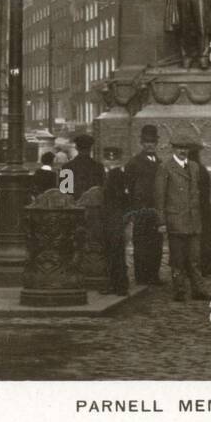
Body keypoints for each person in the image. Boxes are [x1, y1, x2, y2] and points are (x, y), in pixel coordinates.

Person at [154, 138, 209, 302]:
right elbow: (159, 196)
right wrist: (162, 222)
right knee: (177, 259)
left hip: (193, 220)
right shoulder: (165, 167)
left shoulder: (194, 166)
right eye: (179, 148)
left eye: (185, 148)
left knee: (194, 258)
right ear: (173, 149)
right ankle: (179, 290)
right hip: (175, 220)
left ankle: (198, 290)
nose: (182, 151)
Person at [124, 125, 164, 285]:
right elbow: (128, 187)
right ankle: (142, 276)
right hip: (141, 209)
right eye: (146, 141)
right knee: (141, 244)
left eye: (152, 141)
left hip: (156, 210)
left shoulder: (160, 162)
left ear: (157, 143)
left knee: (156, 243)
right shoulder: (134, 163)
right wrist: (133, 209)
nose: (149, 144)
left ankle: (154, 275)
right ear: (141, 142)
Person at [102, 148, 129, 295]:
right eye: (109, 159)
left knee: (114, 252)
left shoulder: (113, 176)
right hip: (116, 217)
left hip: (113, 217)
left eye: (113, 160)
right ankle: (119, 284)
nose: (111, 162)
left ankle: (117, 285)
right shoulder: (120, 175)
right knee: (116, 251)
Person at [186, 144, 211, 277]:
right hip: (204, 211)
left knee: (191, 240)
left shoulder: (188, 170)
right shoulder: (202, 169)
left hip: (192, 211)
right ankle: (206, 267)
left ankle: (192, 268)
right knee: (204, 239)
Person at [68, 133, 105, 200]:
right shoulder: (99, 167)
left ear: (76, 148)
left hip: (74, 207)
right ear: (90, 148)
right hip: (93, 207)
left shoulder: (67, 167)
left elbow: (64, 192)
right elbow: (101, 190)